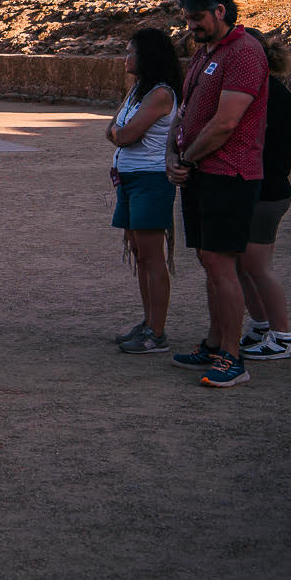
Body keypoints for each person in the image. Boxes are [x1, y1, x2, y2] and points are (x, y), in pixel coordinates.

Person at [166, 0, 268, 389]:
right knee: (211, 263)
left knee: (222, 265)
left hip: (230, 173)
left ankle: (232, 356)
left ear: (221, 11)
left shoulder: (244, 53)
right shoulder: (206, 53)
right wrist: (173, 156)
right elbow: (185, 110)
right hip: (200, 173)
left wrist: (186, 158)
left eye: (197, 18)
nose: (191, 26)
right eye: (188, 19)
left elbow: (226, 122)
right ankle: (214, 343)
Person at [109, 28, 182, 354]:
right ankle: (148, 322)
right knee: (140, 255)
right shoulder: (139, 91)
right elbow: (113, 128)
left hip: (151, 180)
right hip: (130, 179)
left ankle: (157, 330)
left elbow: (123, 135)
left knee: (152, 257)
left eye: (130, 52)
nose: (126, 58)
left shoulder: (160, 94)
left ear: (146, 56)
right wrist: (118, 131)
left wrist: (118, 132)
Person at [238, 30, 291, 360]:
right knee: (241, 265)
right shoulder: (265, 89)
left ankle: (283, 337)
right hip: (258, 188)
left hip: (266, 190)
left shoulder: (268, 92)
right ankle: (262, 327)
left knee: (257, 267)